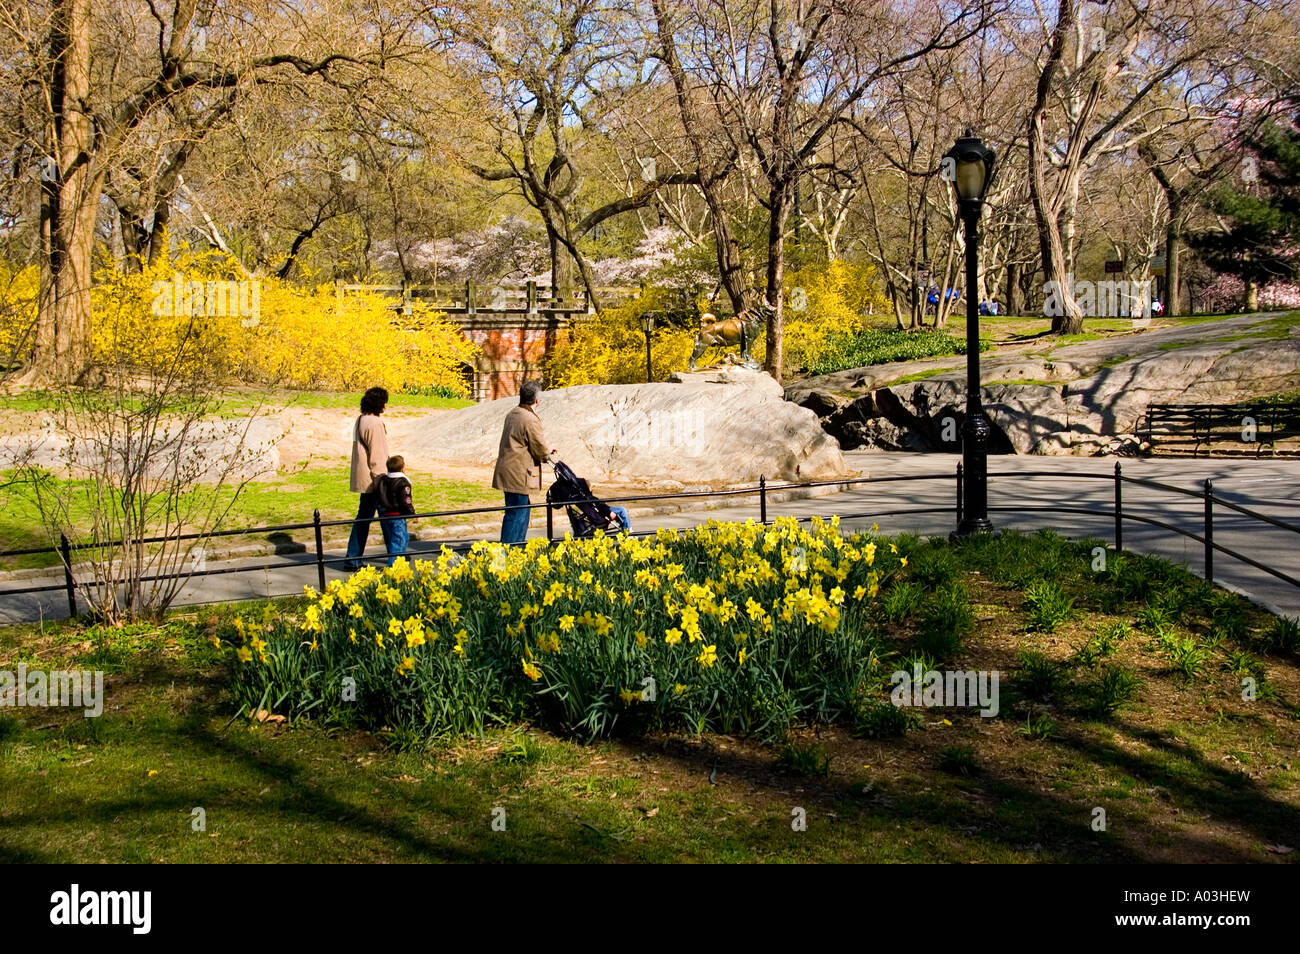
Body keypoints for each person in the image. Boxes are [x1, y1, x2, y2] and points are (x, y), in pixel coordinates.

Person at [492, 381, 556, 545]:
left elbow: (522, 441)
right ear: (537, 400)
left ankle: (513, 547)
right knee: (518, 513)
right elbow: (539, 448)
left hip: (508, 470)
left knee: (517, 510)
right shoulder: (530, 419)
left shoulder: (513, 413)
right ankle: (511, 549)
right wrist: (548, 452)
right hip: (519, 473)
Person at [342, 387, 389, 571]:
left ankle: (353, 557)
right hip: (375, 479)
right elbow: (377, 455)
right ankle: (396, 553)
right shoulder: (375, 423)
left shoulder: (361, 419)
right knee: (388, 517)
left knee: (364, 518)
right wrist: (382, 478)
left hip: (364, 479)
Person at [376, 455, 415, 567]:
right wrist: (412, 513)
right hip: (397, 515)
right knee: (398, 540)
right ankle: (394, 566)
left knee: (392, 539)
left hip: (384, 514)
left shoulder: (382, 480)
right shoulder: (403, 482)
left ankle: (400, 558)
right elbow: (406, 500)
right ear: (403, 468)